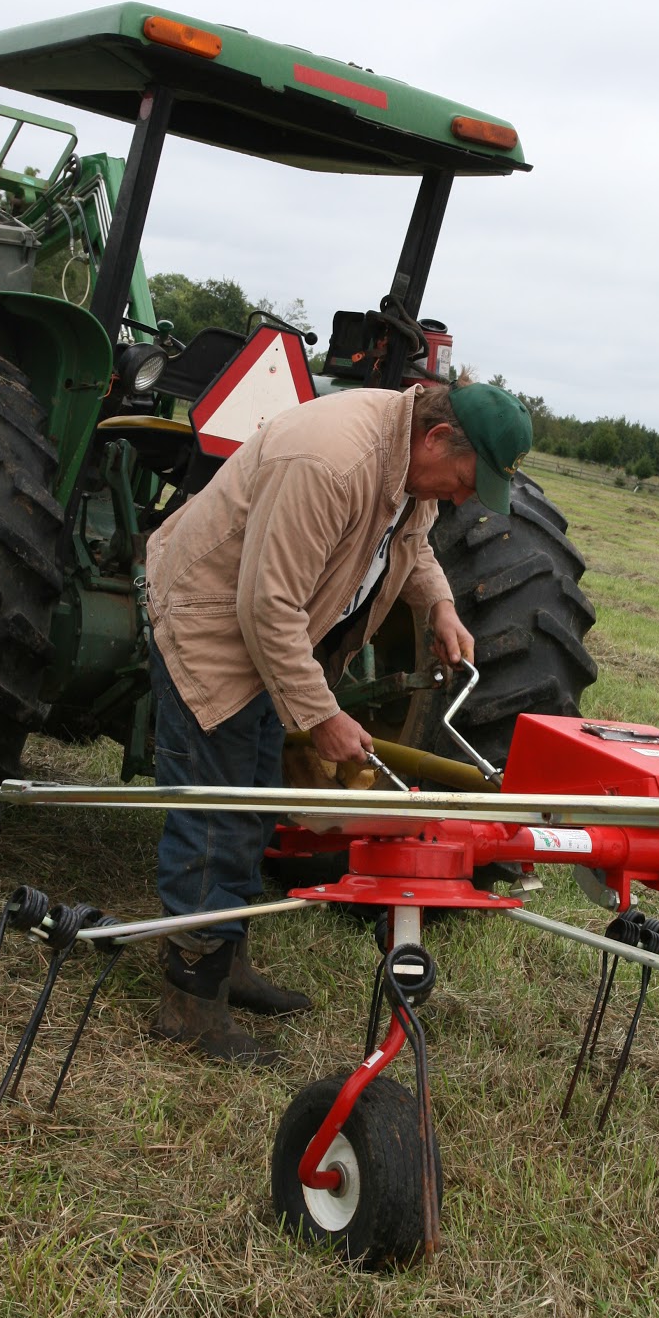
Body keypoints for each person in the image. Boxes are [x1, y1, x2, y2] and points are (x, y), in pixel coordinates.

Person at [144, 378, 532, 1063]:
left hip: (263, 641)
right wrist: (321, 715)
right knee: (217, 815)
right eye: (464, 481)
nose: (462, 498)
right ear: (437, 438)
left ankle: (224, 965)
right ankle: (187, 1005)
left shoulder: (404, 460)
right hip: (211, 626)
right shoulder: (330, 461)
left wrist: (439, 606)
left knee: (256, 804)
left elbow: (408, 543)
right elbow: (267, 606)